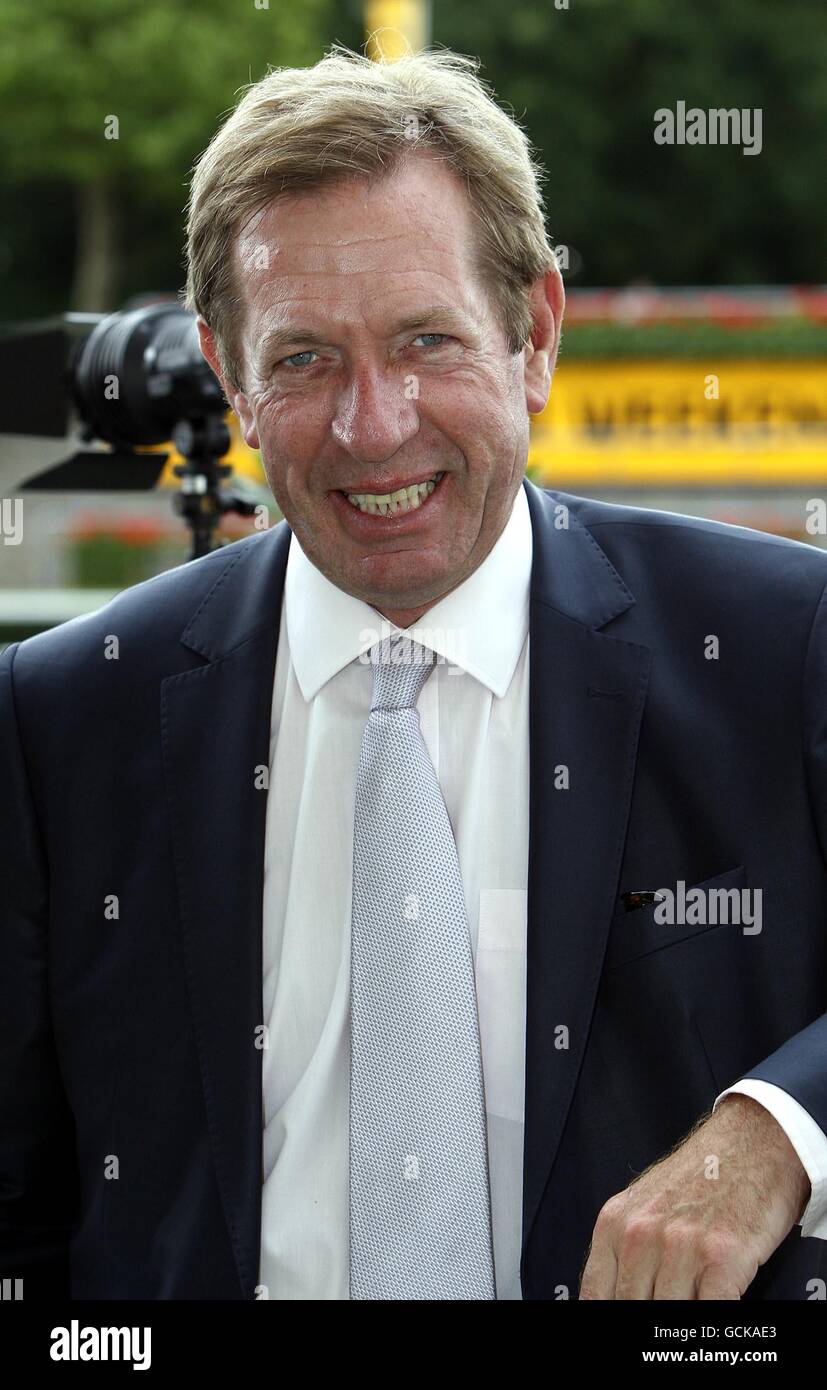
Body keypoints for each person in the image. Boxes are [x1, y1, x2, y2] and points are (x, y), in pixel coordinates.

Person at [2, 44, 826, 1302]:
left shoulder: (782, 643)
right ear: (228, 376)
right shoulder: (62, 714)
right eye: (302, 360)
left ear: (533, 332)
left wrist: (777, 1128)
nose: (371, 425)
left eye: (426, 340)